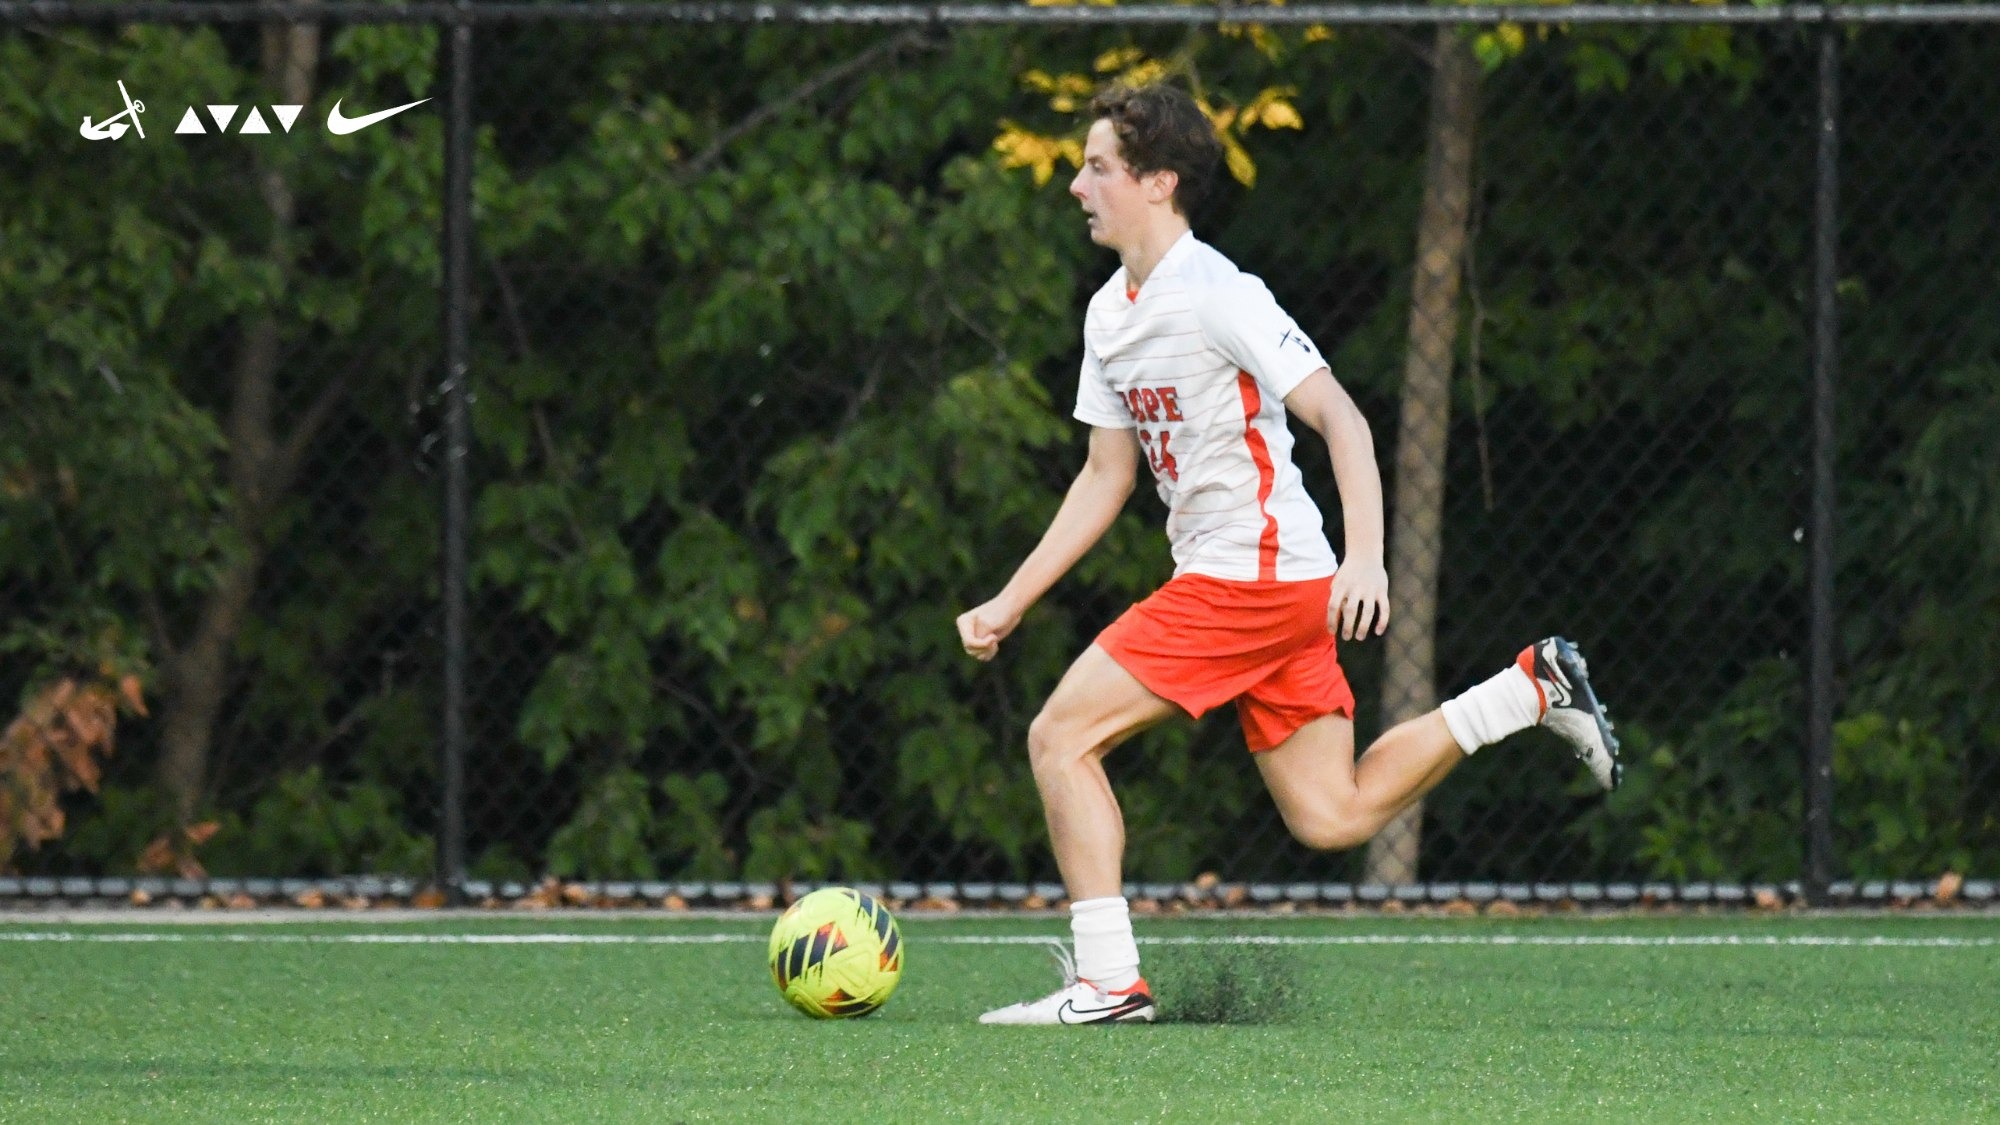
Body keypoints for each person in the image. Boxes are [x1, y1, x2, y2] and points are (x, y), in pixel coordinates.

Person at [957, 82, 1620, 1026]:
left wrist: (1368, 560)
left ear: (1158, 182)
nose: (1076, 185)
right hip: (1262, 583)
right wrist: (1010, 600)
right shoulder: (1110, 315)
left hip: (1254, 578)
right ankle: (1529, 688)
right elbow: (1104, 478)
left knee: (1060, 736)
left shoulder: (1222, 293)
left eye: (1098, 166)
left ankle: (1108, 982)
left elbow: (1341, 419)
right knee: (1333, 815)